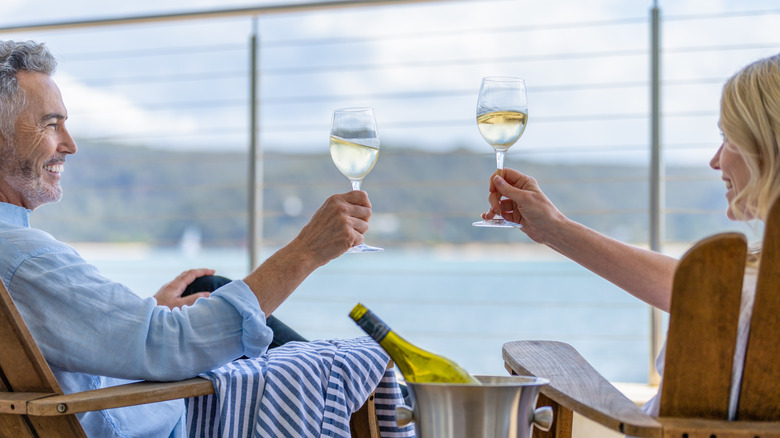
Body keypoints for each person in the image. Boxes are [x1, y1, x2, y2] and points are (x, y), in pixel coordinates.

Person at [0, 40, 375, 437]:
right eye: (50, 124)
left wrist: (144, 314)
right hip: (172, 425)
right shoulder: (24, 260)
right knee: (340, 368)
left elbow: (65, 332)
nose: (69, 144)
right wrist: (307, 251)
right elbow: (170, 346)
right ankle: (403, 405)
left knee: (208, 288)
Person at [481, 53, 780, 418]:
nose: (715, 161)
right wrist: (553, 227)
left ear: (767, 147)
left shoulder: (734, 294)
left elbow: (701, 290)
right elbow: (687, 285)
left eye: (728, 138)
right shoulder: (749, 288)